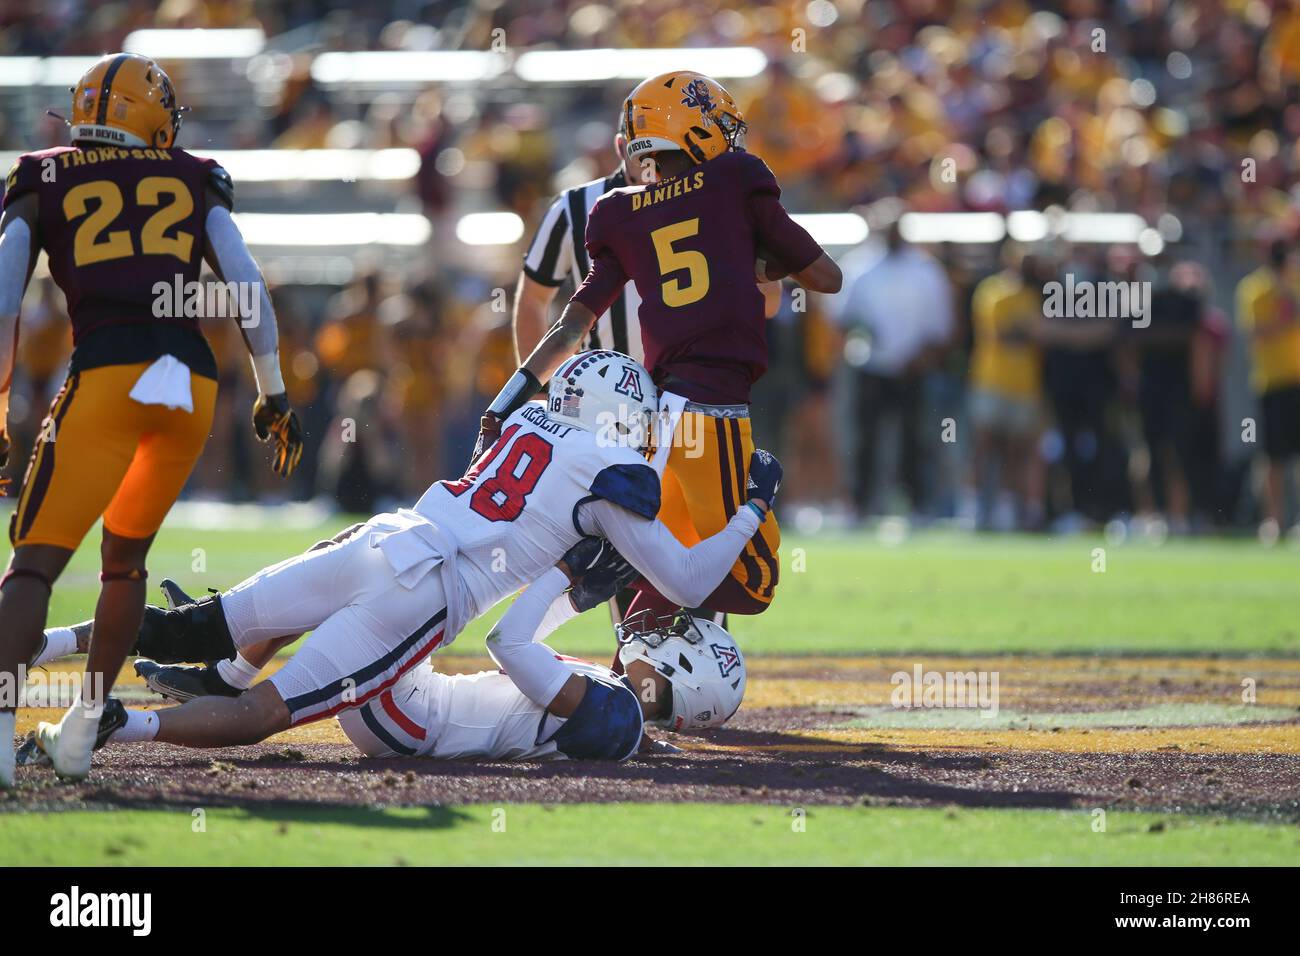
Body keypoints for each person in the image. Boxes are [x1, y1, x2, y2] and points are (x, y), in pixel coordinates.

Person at [23, 351, 779, 776]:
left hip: (383, 536)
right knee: (263, 716)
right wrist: (750, 509)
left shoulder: (531, 419)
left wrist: (569, 584)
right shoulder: (613, 469)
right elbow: (685, 580)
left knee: (199, 626)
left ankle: (35, 646)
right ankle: (114, 727)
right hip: (423, 590)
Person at [0, 54, 304, 788]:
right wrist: (275, 392)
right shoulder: (194, 174)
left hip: (109, 369)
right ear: (152, 117)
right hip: (189, 384)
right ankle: (82, 728)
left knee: (36, 562)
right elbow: (246, 285)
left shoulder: (44, 173)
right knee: (124, 562)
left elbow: (4, 296)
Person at [474, 72, 840, 638]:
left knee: (659, 553)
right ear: (691, 131)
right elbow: (826, 277)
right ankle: (617, 591)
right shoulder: (737, 178)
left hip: (652, 414)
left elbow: (573, 319)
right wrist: (752, 254)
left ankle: (618, 648)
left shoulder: (620, 210)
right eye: (716, 122)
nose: (727, 135)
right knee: (755, 579)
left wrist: (511, 400)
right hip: (710, 410)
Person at [23, 543, 750, 765]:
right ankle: (60, 646)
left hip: (408, 716)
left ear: (683, 675)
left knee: (260, 714)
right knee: (349, 569)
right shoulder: (624, 719)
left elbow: (512, 644)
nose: (662, 635)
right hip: (412, 700)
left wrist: (566, 579)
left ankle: (127, 720)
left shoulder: (616, 715)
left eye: (679, 645)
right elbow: (529, 648)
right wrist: (576, 596)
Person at [515, 111, 646, 363]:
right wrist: (540, 390)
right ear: (620, 147)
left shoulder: (699, 200)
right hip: (602, 390)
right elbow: (533, 298)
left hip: (689, 390)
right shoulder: (574, 204)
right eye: (642, 149)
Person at [1235, 238, 1300, 542]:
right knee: (1273, 457)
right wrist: (1285, 317)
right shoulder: (1255, 289)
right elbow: (1255, 334)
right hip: (1272, 382)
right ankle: (1274, 522)